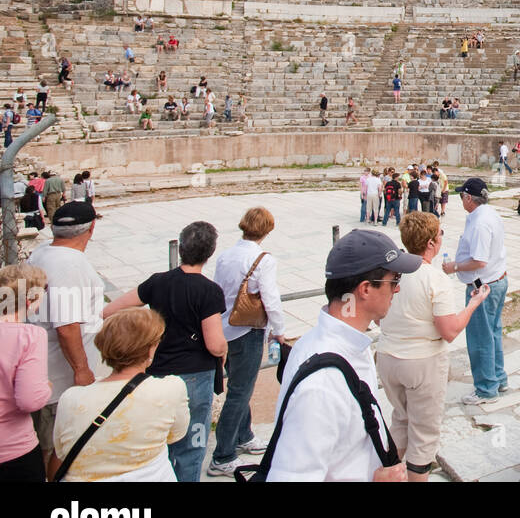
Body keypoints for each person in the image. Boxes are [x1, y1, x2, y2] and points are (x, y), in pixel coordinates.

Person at [265, 230, 420, 483]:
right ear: (366, 289)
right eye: (394, 280)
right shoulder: (321, 386)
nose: (398, 288)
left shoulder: (343, 345)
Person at [102, 221, 226, 482]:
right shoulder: (209, 290)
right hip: (195, 376)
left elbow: (112, 310)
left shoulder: (157, 282)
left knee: (158, 440)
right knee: (192, 444)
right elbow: (214, 344)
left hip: (156, 372)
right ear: (210, 252)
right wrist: (224, 349)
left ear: (181, 249)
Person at [376, 214, 489, 481]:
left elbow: (379, 317)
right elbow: (449, 331)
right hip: (422, 362)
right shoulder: (434, 278)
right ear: (430, 243)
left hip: (388, 357)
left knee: (400, 419)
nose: (441, 239)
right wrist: (473, 304)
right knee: (424, 435)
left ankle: (386, 474)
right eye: (439, 234)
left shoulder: (391, 274)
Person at [49, 308, 190, 481]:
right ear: (150, 349)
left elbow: (61, 452)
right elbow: (176, 435)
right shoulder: (170, 388)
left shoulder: (71, 398)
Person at [207, 207, 285, 478]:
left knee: (240, 386)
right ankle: (223, 456)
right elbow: (270, 298)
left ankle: (244, 435)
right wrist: (279, 329)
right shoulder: (263, 259)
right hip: (248, 330)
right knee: (239, 392)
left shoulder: (225, 255)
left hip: (225, 328)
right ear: (267, 229)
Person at [27, 201, 104, 464]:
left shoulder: (41, 252)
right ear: (91, 229)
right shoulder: (70, 266)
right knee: (57, 449)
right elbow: (67, 326)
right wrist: (82, 370)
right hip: (60, 382)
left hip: (41, 370)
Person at [444, 178, 510, 403]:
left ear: (468, 198)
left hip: (483, 286)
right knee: (492, 333)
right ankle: (498, 378)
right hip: (497, 279)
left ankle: (486, 389)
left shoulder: (480, 223)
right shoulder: (489, 213)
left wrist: (454, 267)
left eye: (462, 196)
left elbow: (479, 261)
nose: (461, 199)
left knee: (480, 338)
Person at [0, 263, 50, 481]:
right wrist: (47, 388)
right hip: (14, 450)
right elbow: (30, 400)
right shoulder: (30, 336)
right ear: (29, 301)